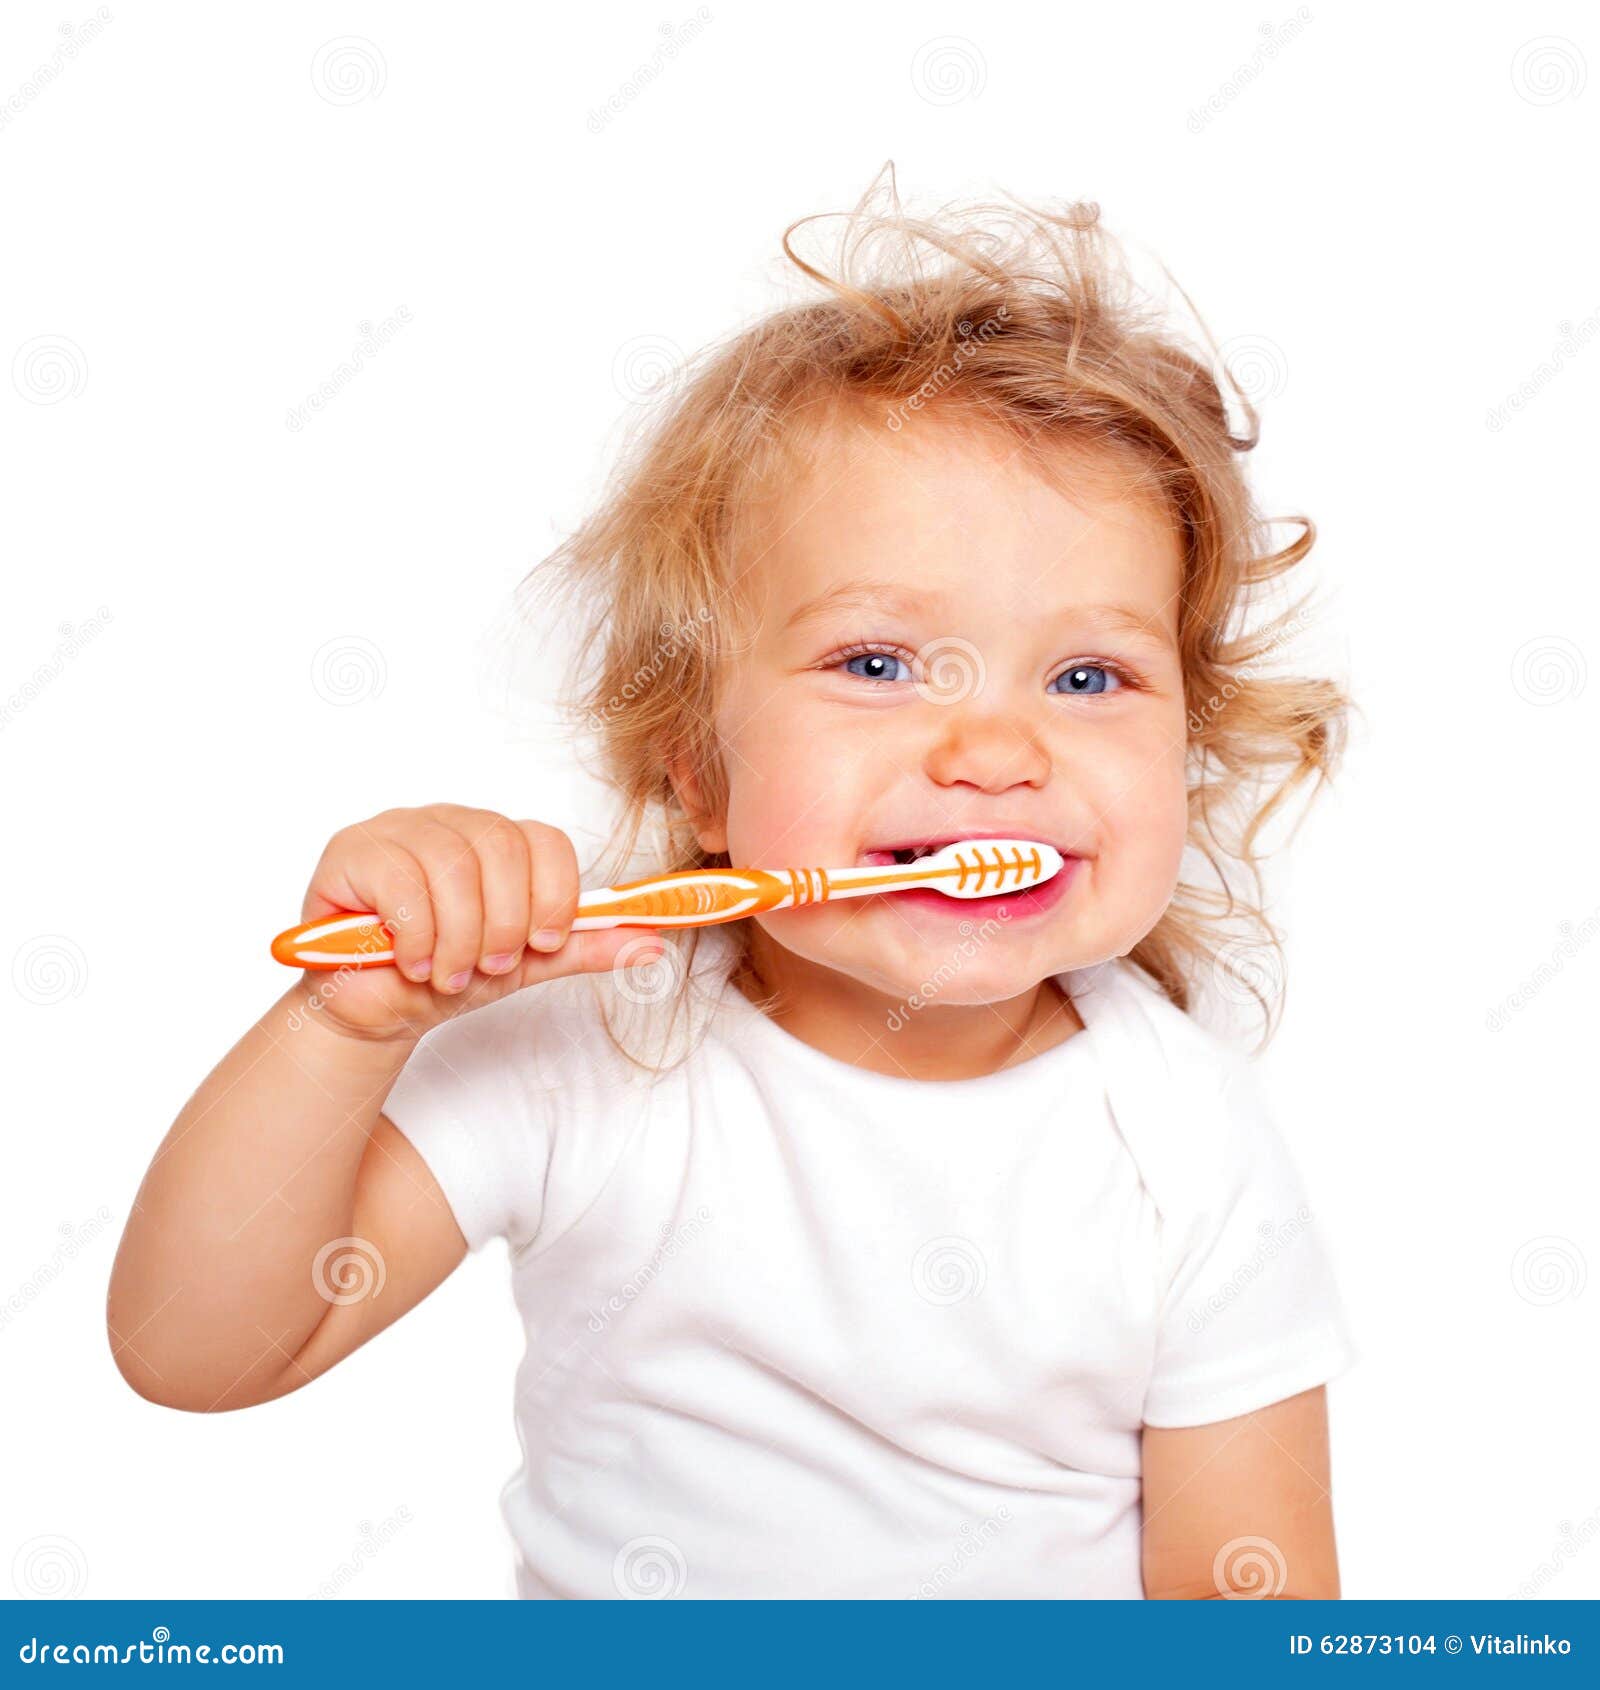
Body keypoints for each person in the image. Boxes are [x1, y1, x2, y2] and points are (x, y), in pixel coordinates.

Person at [109, 168, 1360, 1600]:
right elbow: (193, 1350)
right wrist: (342, 1028)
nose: (998, 748)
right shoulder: (591, 1051)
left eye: (1089, 676)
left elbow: (1248, 1603)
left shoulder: (1185, 1140)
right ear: (695, 768)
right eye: (877, 662)